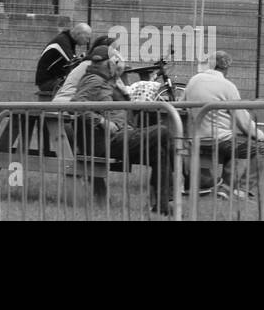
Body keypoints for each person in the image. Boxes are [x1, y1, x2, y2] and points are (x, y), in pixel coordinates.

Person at [54, 44, 176, 214]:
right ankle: (177, 183)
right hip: (104, 143)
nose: (119, 63)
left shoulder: (106, 79)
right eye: (115, 60)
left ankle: (163, 205)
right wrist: (103, 122)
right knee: (162, 131)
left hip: (117, 137)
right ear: (107, 62)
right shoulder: (94, 80)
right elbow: (77, 106)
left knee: (159, 153)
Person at [183, 50, 264, 199]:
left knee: (236, 143)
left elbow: (183, 106)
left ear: (210, 64)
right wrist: (263, 136)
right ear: (227, 67)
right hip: (220, 140)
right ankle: (241, 191)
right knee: (262, 149)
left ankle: (223, 189)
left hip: (196, 140)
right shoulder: (227, 86)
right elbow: (243, 122)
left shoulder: (193, 81)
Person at [34, 22, 92, 99]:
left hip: (56, 79)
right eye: (87, 38)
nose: (87, 41)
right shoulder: (61, 42)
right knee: (80, 85)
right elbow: (72, 63)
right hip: (48, 82)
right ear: (78, 34)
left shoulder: (68, 41)